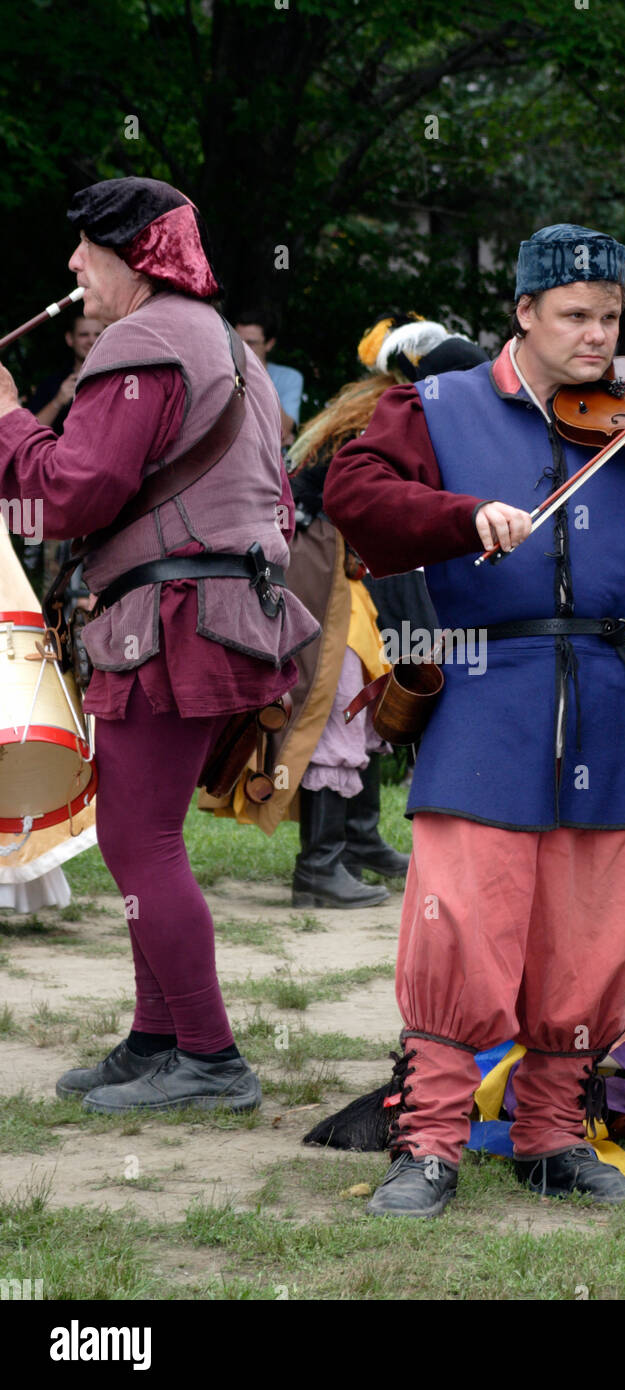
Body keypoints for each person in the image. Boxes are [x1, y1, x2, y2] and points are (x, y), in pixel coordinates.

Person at [324, 222, 625, 1217]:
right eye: (574, 316)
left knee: (591, 948)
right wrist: (459, 516)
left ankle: (551, 1135)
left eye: (610, 316)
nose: (596, 336)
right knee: (459, 925)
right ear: (524, 314)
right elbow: (354, 493)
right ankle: (428, 1146)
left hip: (617, 695)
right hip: (490, 689)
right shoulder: (435, 405)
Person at [0, 176, 319, 1115]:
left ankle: (212, 1058)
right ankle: (157, 1037)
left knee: (140, 843)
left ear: (132, 257)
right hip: (201, 616)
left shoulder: (143, 342)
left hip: (173, 622)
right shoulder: (217, 341)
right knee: (150, 837)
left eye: (84, 248)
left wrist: (8, 417)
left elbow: (66, 496)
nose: (70, 266)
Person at [283, 314, 488, 910]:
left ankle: (358, 841)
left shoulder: (409, 417)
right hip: (330, 579)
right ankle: (318, 867)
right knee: (337, 702)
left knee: (367, 701)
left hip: (362, 585)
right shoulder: (382, 422)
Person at [234, 311, 303, 447]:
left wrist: (256, 373)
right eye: (238, 341)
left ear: (269, 344)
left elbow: (283, 430)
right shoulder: (224, 373)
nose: (243, 348)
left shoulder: (289, 378)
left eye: (251, 343)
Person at [28, 314, 105, 433]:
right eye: (84, 335)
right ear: (70, 339)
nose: (91, 341)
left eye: (98, 334)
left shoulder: (120, 378)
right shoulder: (52, 383)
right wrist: (58, 401)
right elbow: (29, 432)